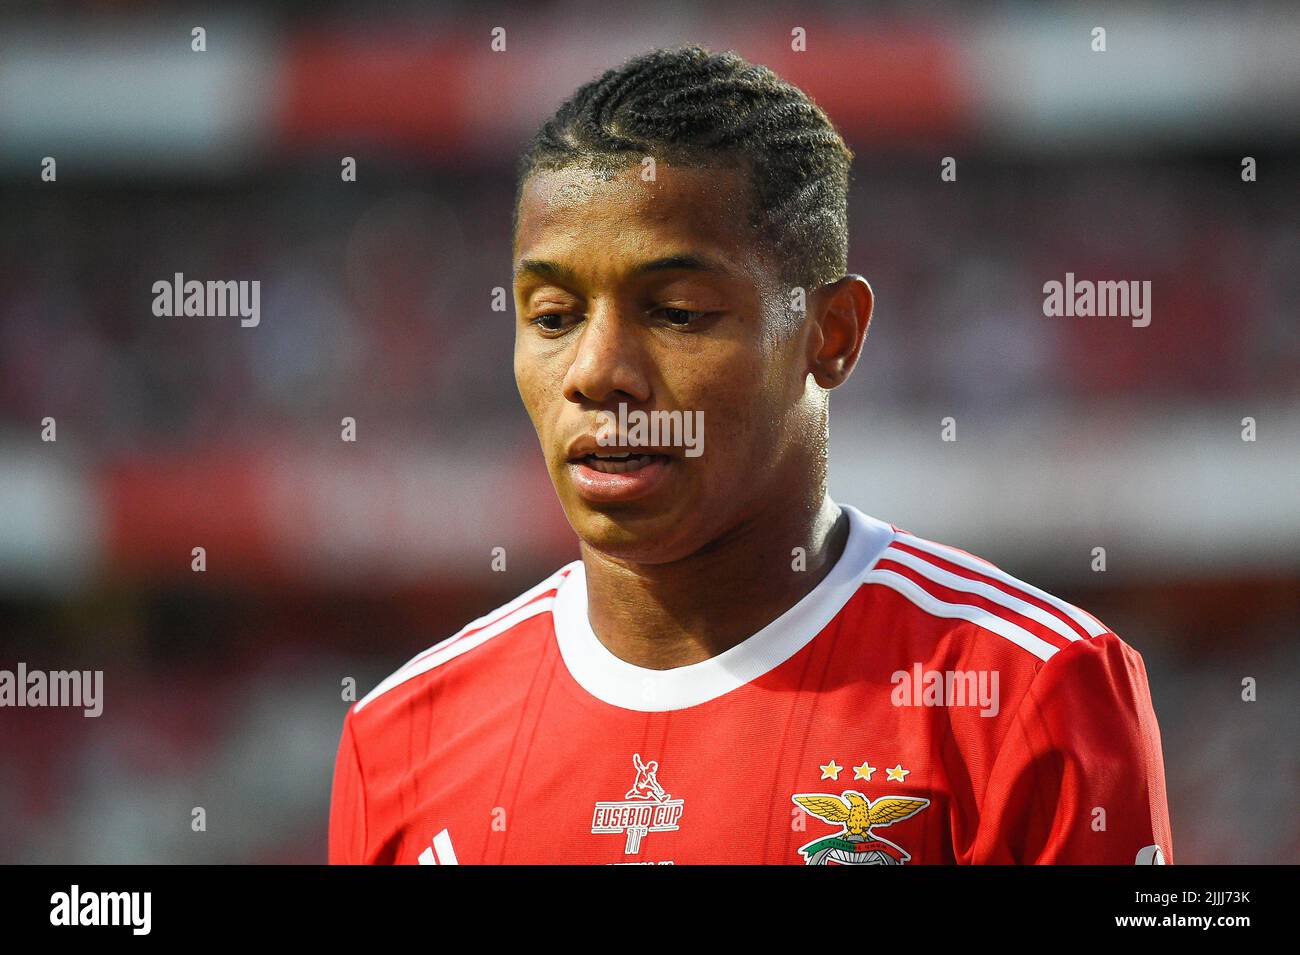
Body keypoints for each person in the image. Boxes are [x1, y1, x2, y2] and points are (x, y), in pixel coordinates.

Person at [328, 45, 1174, 865]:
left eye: (678, 312)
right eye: (552, 316)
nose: (595, 372)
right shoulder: (400, 738)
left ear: (830, 334)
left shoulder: (1031, 690)